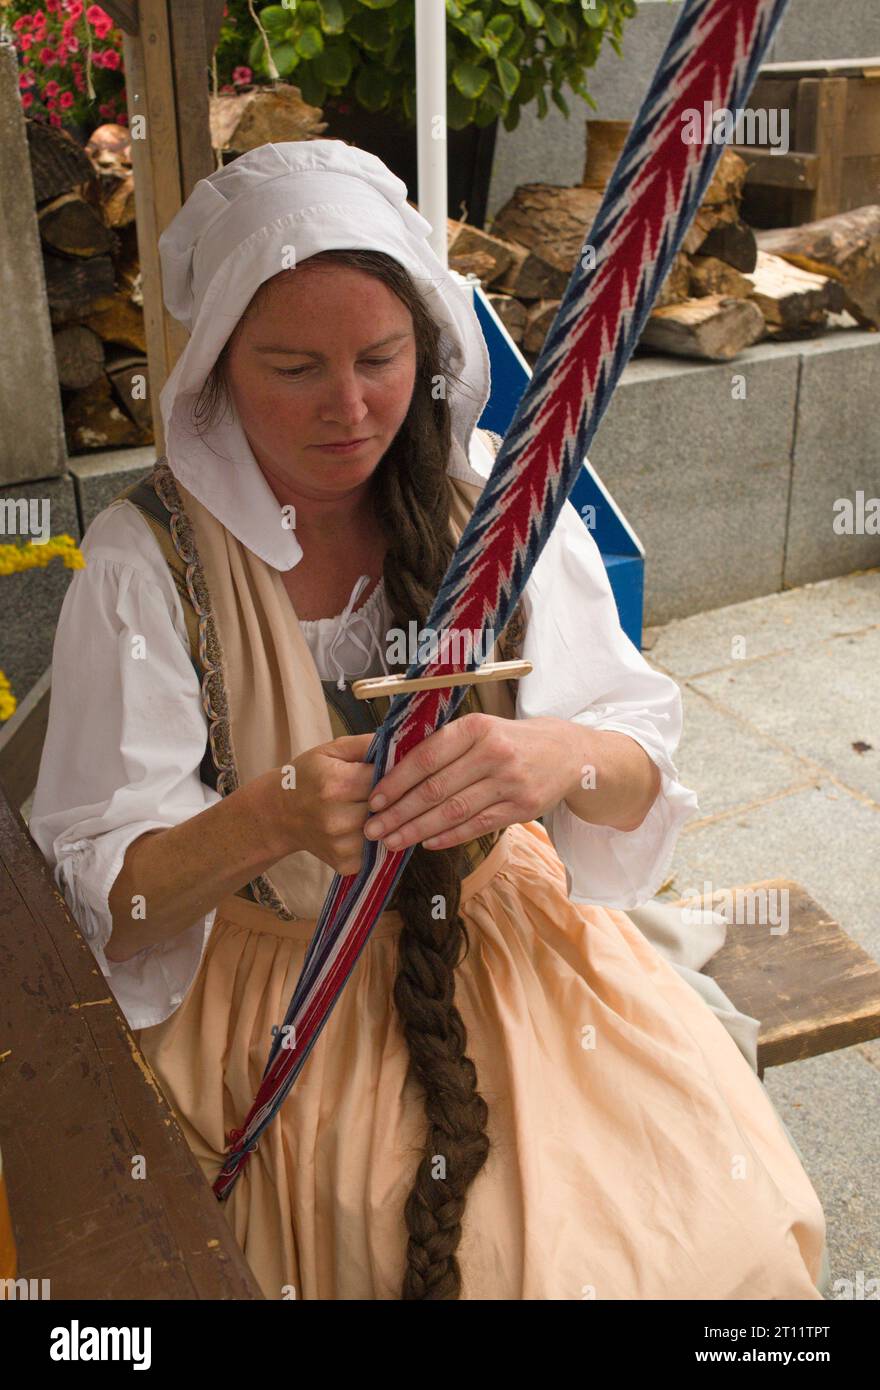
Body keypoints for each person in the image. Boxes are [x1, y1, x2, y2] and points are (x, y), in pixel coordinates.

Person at [30, 140, 828, 1302]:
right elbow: (121, 901)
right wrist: (270, 817)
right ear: (213, 370)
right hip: (283, 1000)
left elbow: (638, 767)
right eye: (294, 367)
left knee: (709, 1238)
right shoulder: (145, 567)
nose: (349, 409)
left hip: (515, 958)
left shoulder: (493, 510)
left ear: (430, 347)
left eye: (381, 357)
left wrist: (553, 758)